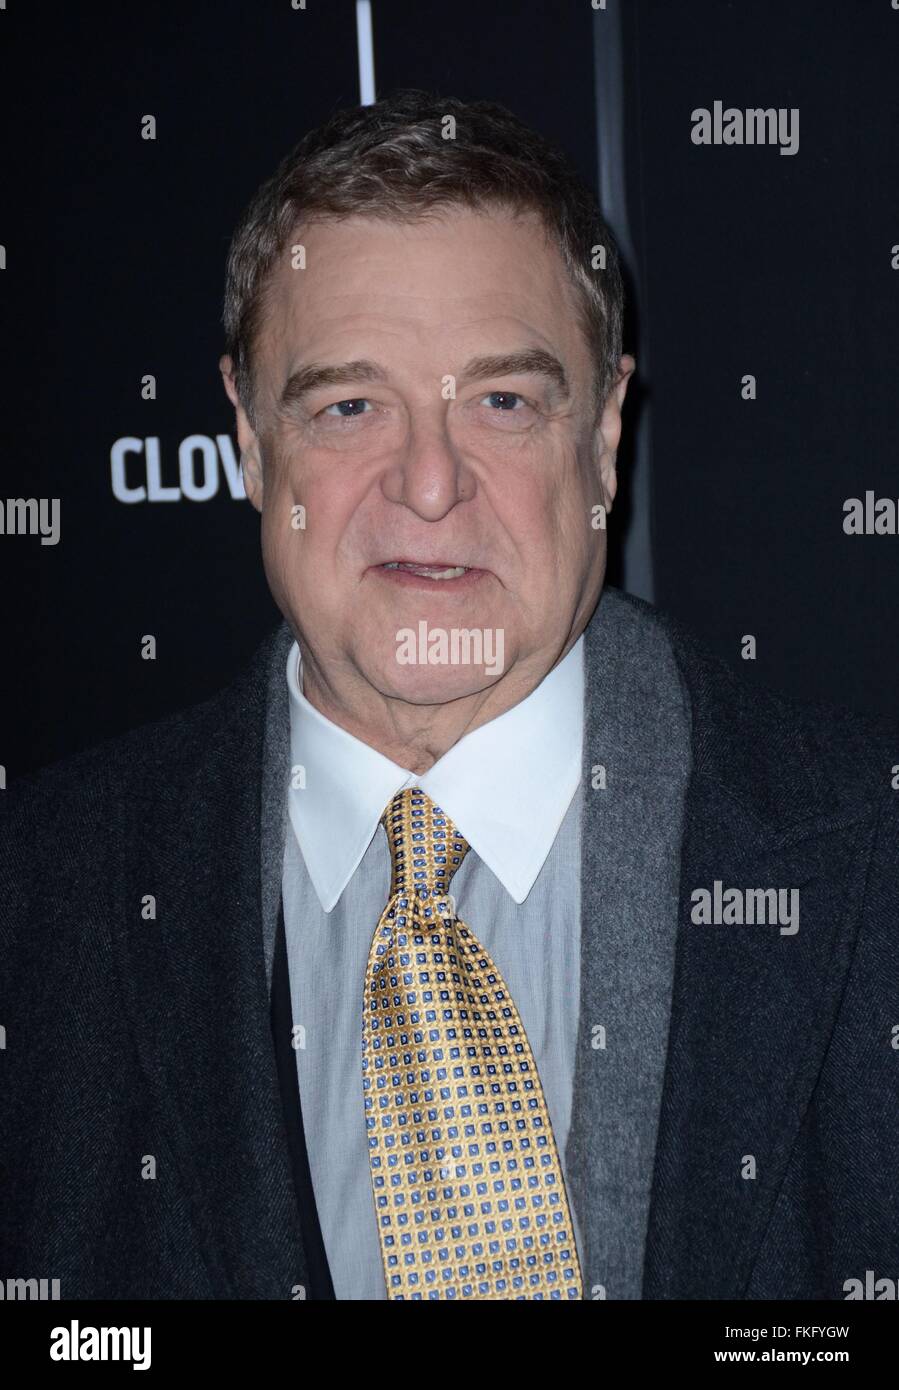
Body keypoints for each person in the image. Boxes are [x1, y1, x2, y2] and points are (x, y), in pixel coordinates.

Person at [2, 90, 896, 1302]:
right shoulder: (42, 893)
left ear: (606, 433)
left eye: (502, 401)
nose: (427, 485)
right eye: (348, 405)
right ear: (250, 440)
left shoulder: (865, 858)